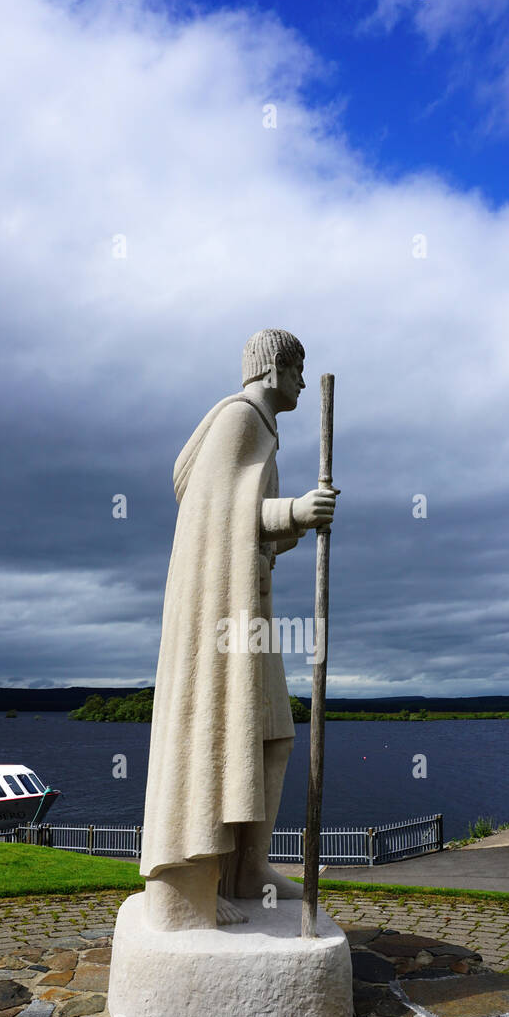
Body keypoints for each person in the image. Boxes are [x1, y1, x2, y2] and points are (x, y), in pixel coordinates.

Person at [139, 329, 337, 929]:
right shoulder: (238, 421)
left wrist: (291, 520)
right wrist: (296, 511)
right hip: (221, 616)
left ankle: (250, 868)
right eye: (298, 369)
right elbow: (221, 517)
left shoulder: (261, 429)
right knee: (217, 737)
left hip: (251, 610)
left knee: (273, 733)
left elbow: (248, 526)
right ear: (276, 367)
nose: (303, 381)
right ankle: (190, 882)